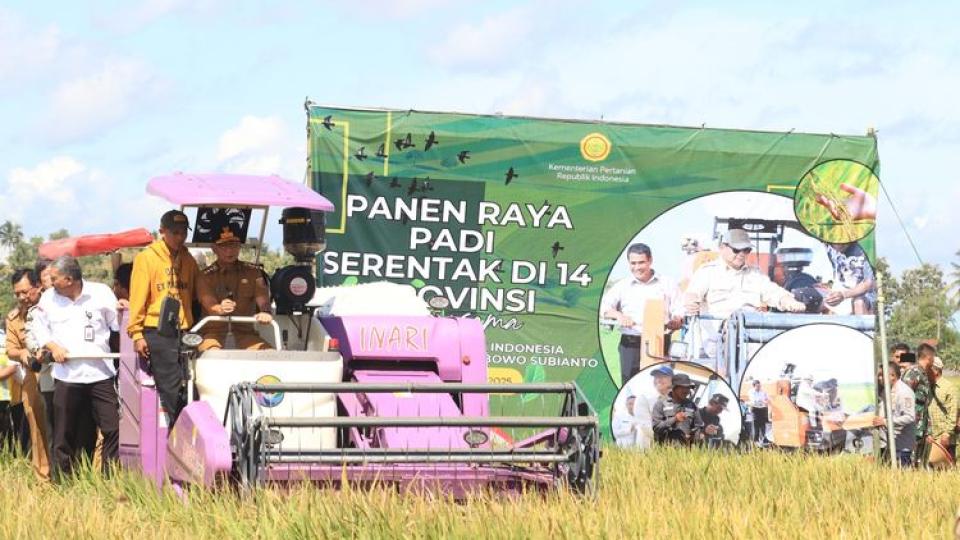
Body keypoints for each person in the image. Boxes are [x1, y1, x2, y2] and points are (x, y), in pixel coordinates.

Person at [31, 256, 120, 476]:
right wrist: (53, 346)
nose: (50, 283)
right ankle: (64, 482)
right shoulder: (48, 300)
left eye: (54, 278)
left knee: (113, 429)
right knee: (63, 434)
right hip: (67, 375)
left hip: (100, 373)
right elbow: (39, 330)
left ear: (69, 279)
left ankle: (110, 478)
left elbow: (117, 325)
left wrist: (124, 306)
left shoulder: (101, 293)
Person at [127, 210, 200, 427]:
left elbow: (199, 291)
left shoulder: (188, 259)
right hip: (158, 331)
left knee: (191, 385)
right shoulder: (146, 258)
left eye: (183, 233)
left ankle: (188, 431)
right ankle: (180, 433)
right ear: (162, 231)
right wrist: (137, 333)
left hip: (185, 331)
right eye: (174, 232)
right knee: (172, 388)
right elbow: (137, 297)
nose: (180, 237)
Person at [601, 243, 681, 385]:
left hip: (660, 341)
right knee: (629, 384)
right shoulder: (622, 285)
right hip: (631, 342)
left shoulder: (667, 283)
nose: (637, 267)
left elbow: (679, 309)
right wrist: (619, 316)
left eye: (641, 262)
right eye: (633, 263)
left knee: (659, 383)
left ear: (650, 261)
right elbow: (605, 308)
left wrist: (676, 320)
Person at [195, 224, 272, 352]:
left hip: (245, 334)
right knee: (213, 357)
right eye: (223, 246)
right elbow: (210, 305)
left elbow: (263, 299)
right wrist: (220, 308)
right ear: (214, 249)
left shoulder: (254, 273)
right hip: (213, 335)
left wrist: (266, 312)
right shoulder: (204, 276)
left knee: (270, 355)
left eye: (233, 245)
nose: (229, 251)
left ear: (240, 247)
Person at [4, 268, 51, 479]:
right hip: (34, 375)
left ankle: (75, 471)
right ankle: (44, 478)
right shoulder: (13, 318)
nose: (22, 297)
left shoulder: (53, 307)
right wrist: (23, 353)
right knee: (38, 429)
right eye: (17, 294)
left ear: (38, 286)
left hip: (62, 374)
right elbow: (11, 349)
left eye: (25, 292)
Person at [873, 362, 916, 467]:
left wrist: (886, 422)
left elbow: (910, 417)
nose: (879, 378)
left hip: (902, 447)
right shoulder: (887, 391)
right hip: (889, 445)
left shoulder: (904, 392)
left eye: (882, 375)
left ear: (892, 376)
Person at [902, 343, 935, 463]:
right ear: (929, 357)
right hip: (911, 427)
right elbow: (903, 396)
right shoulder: (914, 372)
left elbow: (925, 405)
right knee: (907, 463)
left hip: (920, 429)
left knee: (917, 464)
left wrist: (928, 431)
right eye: (933, 358)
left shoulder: (924, 374)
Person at [823, 242, 875, 315]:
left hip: (861, 294)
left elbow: (868, 284)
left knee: (858, 302)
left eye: (842, 242)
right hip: (839, 293)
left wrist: (844, 295)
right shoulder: (829, 246)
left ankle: (862, 326)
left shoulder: (863, 250)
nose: (839, 245)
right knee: (816, 300)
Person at [651, 373, 701, 445]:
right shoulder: (661, 403)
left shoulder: (692, 405)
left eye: (688, 388)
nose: (686, 391)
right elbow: (656, 428)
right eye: (682, 388)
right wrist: (674, 419)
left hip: (685, 453)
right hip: (664, 450)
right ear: (674, 388)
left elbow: (698, 427)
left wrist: (695, 437)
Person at [927, 356, 959, 461]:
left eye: (927, 370)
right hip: (934, 438)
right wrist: (930, 433)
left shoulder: (949, 388)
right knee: (934, 470)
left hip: (946, 438)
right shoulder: (930, 387)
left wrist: (947, 433)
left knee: (947, 470)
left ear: (935, 371)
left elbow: (953, 413)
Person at [748, 379, 770, 445]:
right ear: (754, 386)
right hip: (755, 409)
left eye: (759, 386)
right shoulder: (751, 392)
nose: (759, 387)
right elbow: (754, 401)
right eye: (757, 386)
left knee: (763, 426)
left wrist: (763, 401)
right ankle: (755, 441)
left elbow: (767, 399)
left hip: (762, 410)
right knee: (756, 426)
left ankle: (763, 439)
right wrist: (762, 401)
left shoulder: (763, 392)